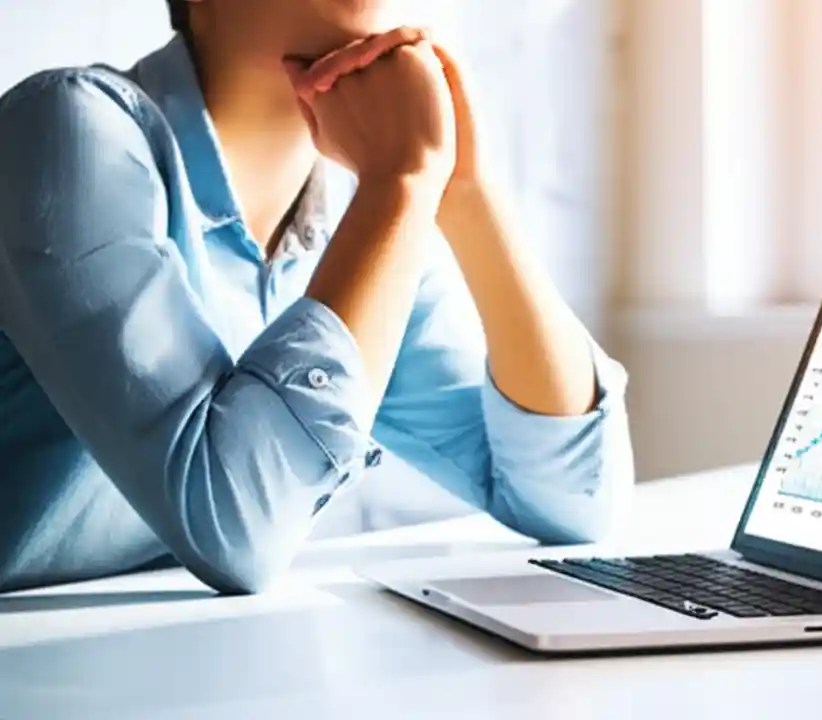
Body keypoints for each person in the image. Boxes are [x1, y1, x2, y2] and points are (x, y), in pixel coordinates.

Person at [0, 0, 633, 594]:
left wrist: (464, 191)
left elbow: (576, 499)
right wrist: (401, 183)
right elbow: (237, 532)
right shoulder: (66, 132)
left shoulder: (350, 224)